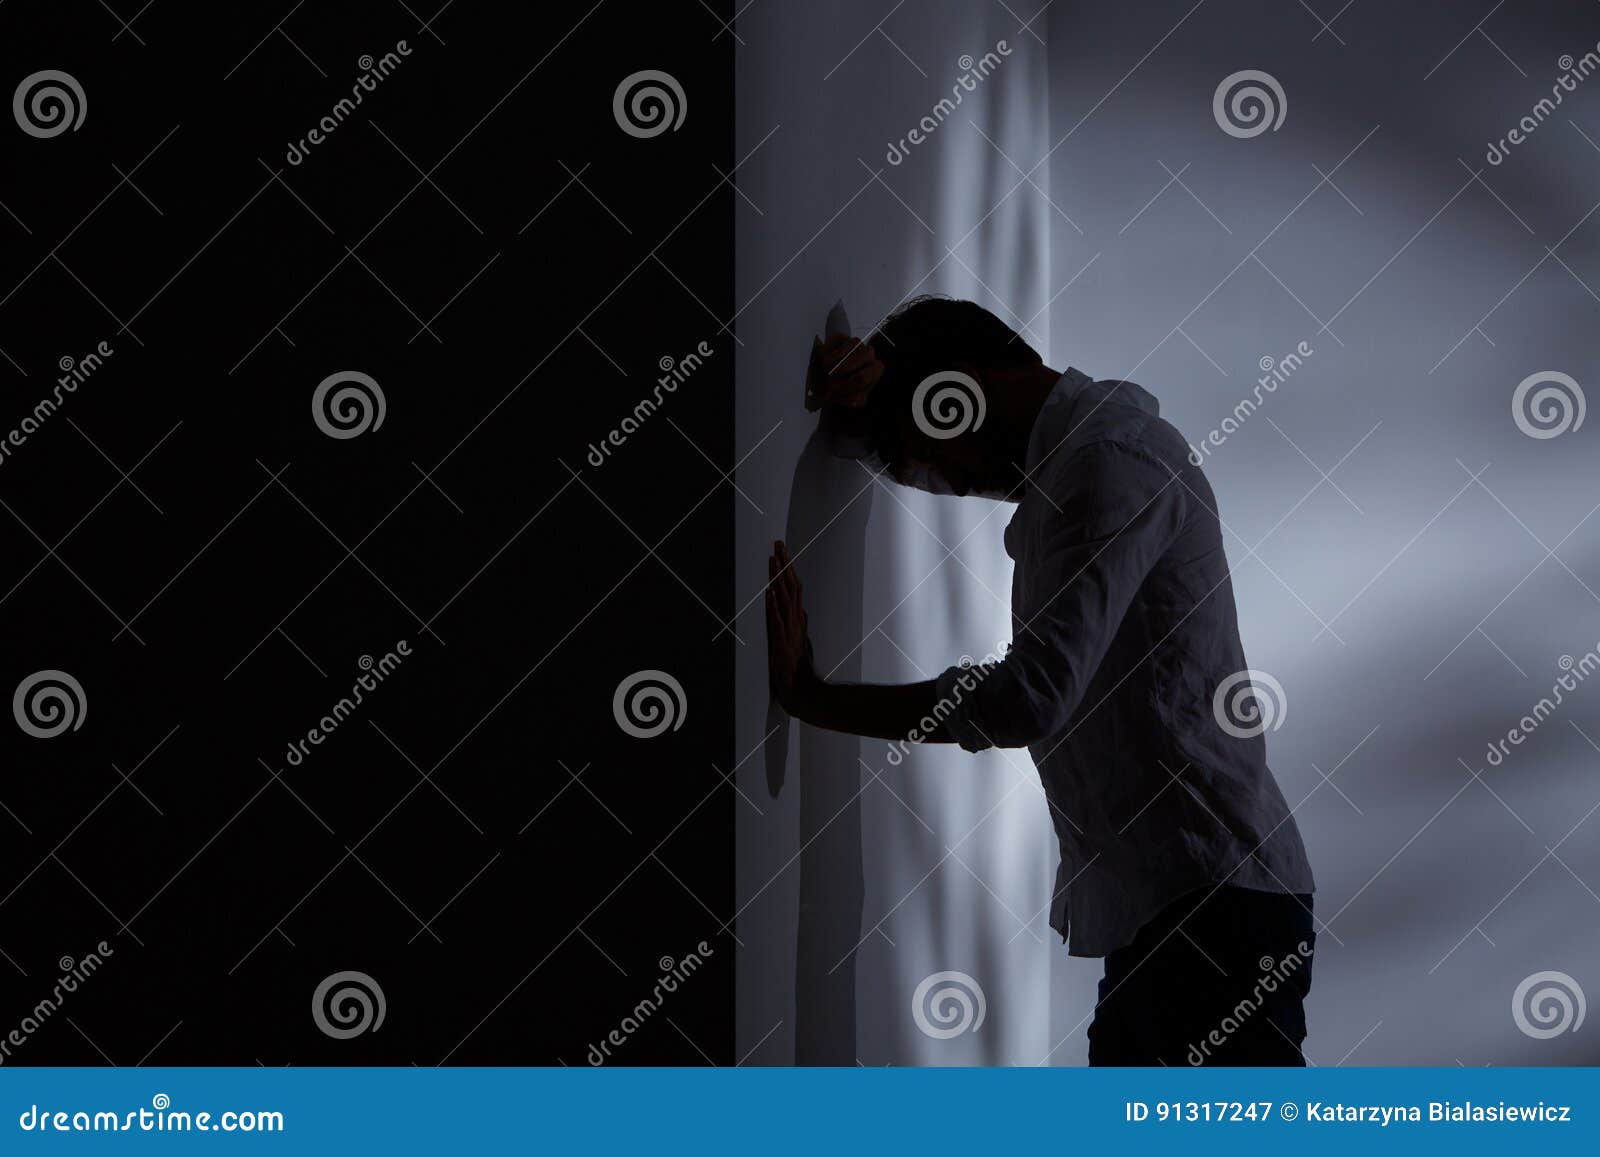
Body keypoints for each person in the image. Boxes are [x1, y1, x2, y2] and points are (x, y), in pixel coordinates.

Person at [765, 296, 1317, 1065]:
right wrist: (861, 398)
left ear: (969, 384)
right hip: (1180, 904)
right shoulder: (1087, 468)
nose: (954, 478)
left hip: (1210, 905)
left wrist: (818, 699)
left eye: (939, 458)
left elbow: (1030, 697)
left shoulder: (1113, 462)